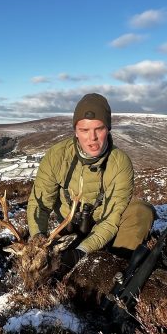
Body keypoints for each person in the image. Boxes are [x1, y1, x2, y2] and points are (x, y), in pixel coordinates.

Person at [26, 92, 155, 269]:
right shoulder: (57, 156)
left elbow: (111, 219)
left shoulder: (120, 163)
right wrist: (38, 241)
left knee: (140, 211)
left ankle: (117, 264)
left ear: (108, 128)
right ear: (75, 131)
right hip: (66, 230)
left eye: (99, 129)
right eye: (84, 130)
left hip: (104, 228)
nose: (92, 138)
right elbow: (40, 204)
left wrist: (81, 252)